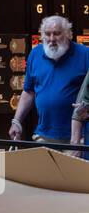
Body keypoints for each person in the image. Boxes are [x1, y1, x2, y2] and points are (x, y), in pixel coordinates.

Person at [11, 15, 89, 150]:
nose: (52, 39)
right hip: (44, 135)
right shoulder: (35, 54)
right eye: (47, 34)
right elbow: (29, 92)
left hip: (77, 138)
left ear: (67, 34)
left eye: (57, 34)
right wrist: (17, 121)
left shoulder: (84, 54)